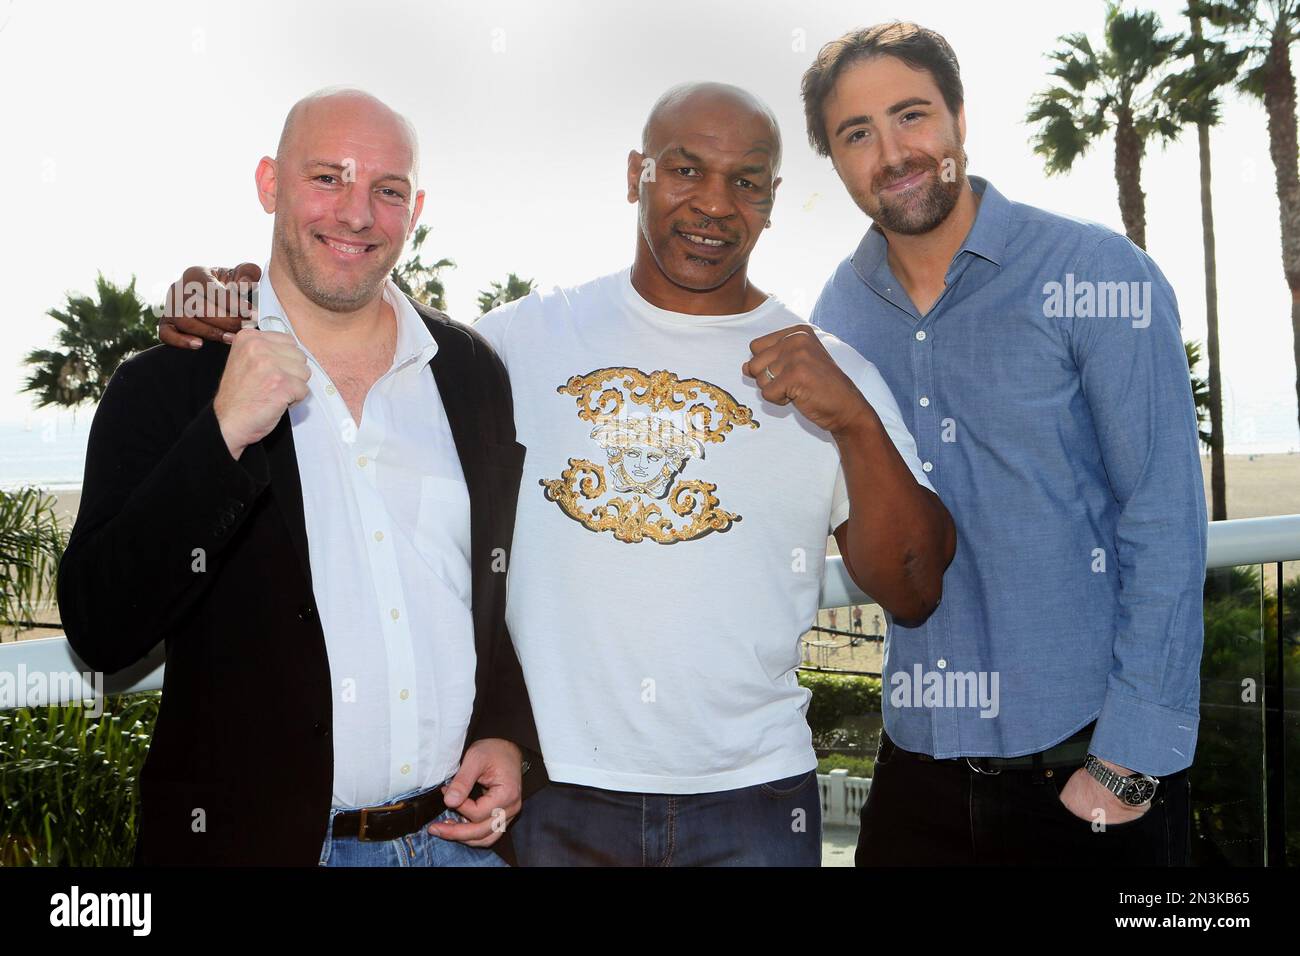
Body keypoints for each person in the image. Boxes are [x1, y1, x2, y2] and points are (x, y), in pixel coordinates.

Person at [161, 81, 956, 866]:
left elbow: (914, 588)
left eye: (745, 181)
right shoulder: (517, 343)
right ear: (635, 173)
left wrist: (852, 419)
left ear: (773, 198)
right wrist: (239, 292)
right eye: (684, 170)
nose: (714, 203)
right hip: (549, 797)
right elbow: (361, 319)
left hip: (753, 800)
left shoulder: (831, 370)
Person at [58, 88, 540, 866]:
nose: (356, 215)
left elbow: (492, 594)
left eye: (386, 190)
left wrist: (507, 732)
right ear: (269, 184)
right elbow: (100, 629)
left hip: (459, 842)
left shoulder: (471, 372)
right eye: (327, 178)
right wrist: (222, 437)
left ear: (413, 208)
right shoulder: (168, 384)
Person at [802, 22, 1208, 865]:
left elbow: (1164, 517)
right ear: (834, 159)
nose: (893, 151)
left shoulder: (1097, 274)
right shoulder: (836, 320)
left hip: (1088, 775)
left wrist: (1128, 764)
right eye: (857, 133)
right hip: (916, 775)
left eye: (912, 115)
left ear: (957, 119)